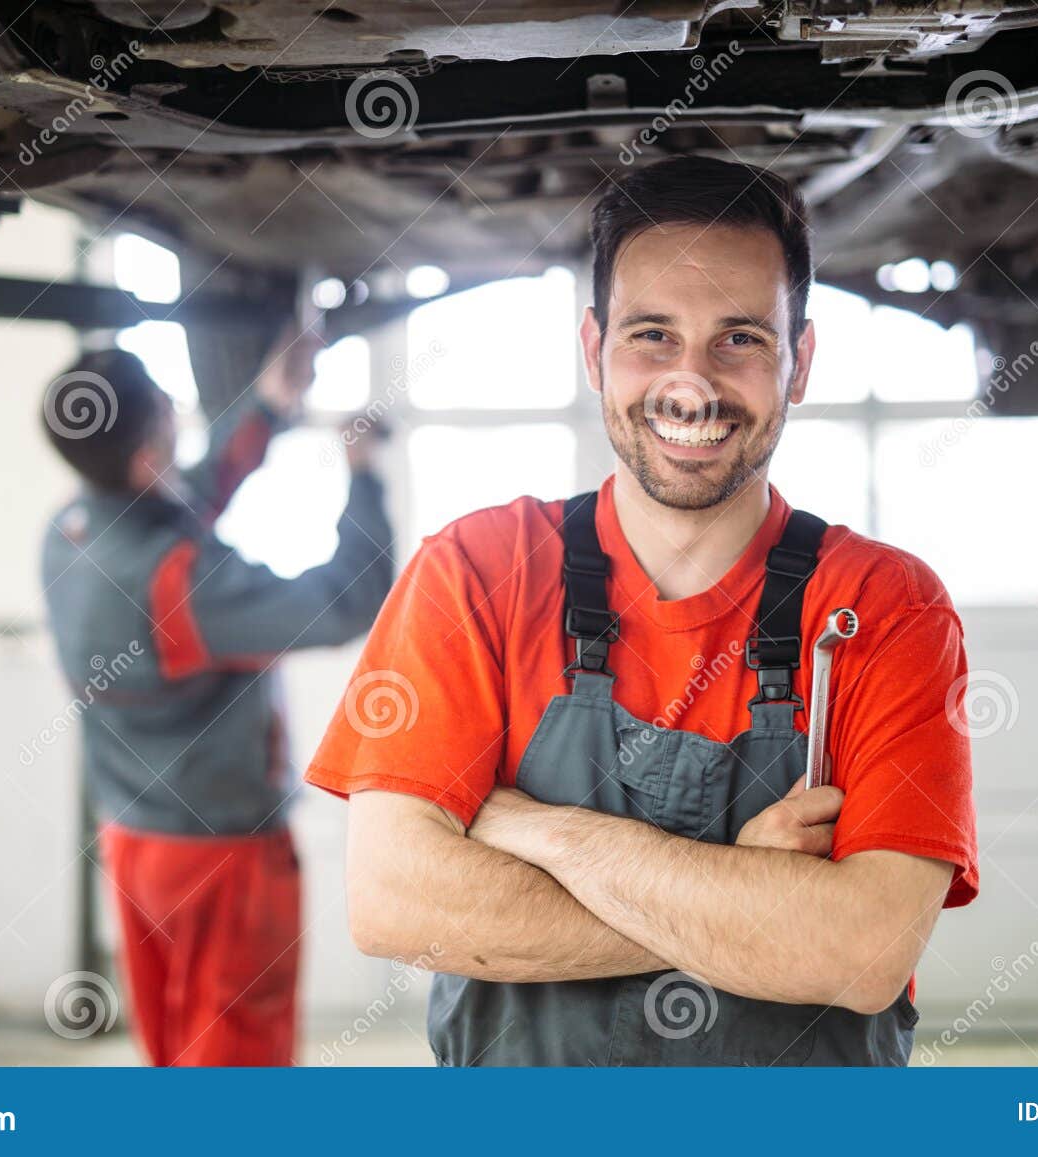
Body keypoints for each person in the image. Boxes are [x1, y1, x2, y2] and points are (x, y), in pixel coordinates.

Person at [306, 155, 979, 1066]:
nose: (691, 384)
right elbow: (395, 903)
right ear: (593, 350)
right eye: (652, 335)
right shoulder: (476, 572)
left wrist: (541, 831)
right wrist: (750, 903)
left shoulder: (885, 605)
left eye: (740, 338)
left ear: (802, 362)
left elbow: (860, 952)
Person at [39, 326, 393, 1066]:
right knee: (237, 1056)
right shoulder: (181, 582)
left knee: (175, 1048)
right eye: (164, 406)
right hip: (221, 861)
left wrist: (269, 402)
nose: (175, 406)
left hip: (134, 840)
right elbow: (348, 600)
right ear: (147, 452)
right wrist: (362, 471)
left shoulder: (69, 533)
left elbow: (182, 495)